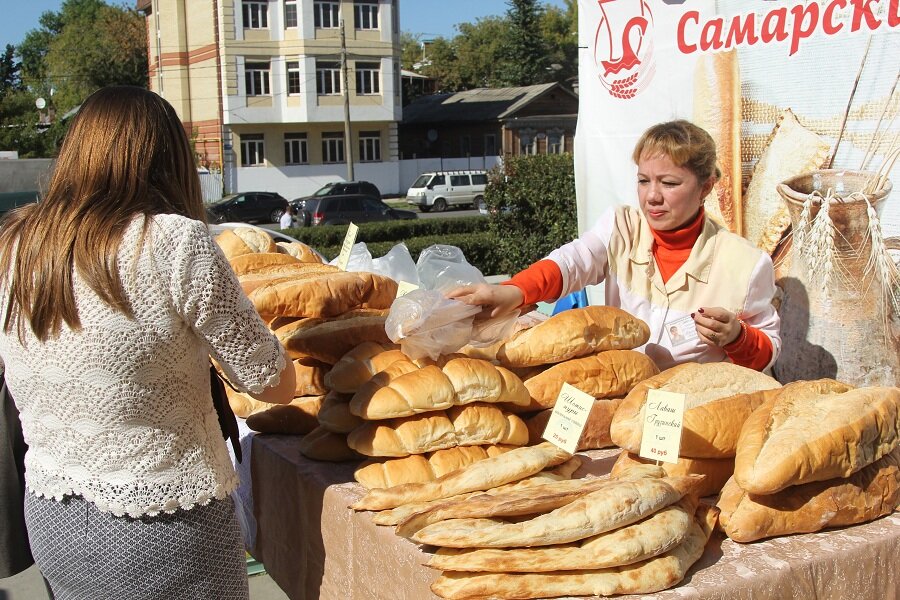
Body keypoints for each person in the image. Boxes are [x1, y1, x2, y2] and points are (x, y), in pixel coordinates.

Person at [0, 86, 296, 599]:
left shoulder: (17, 246)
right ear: (170, 160)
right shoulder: (175, 242)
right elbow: (273, 384)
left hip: (54, 516)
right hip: (164, 523)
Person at [449, 120, 780, 372]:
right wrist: (513, 292)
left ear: (706, 186)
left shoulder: (746, 264)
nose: (652, 196)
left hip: (690, 415)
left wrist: (738, 337)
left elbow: (766, 354)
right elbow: (572, 262)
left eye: (669, 183)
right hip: (619, 394)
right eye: (643, 180)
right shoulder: (622, 227)